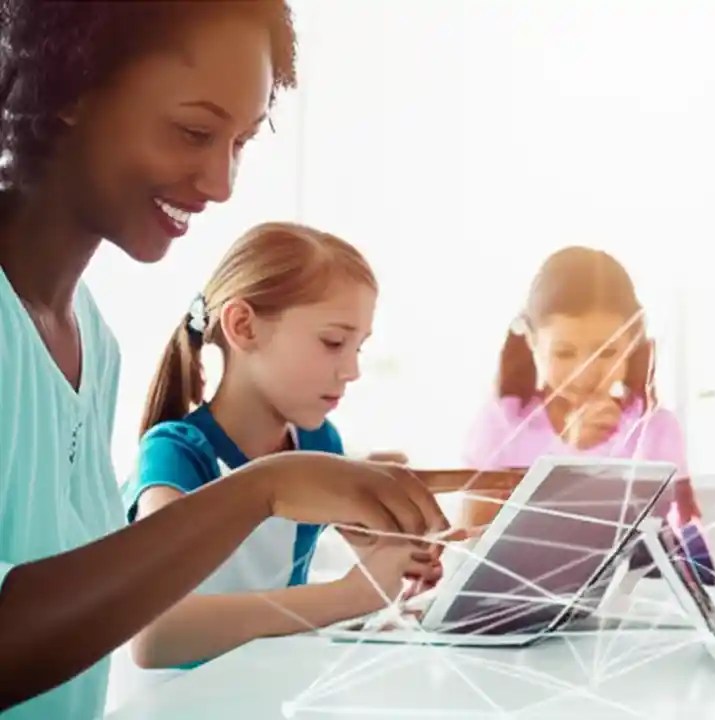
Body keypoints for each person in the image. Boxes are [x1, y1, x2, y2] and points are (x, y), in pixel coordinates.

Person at [0, 4, 490, 715]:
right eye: (194, 132)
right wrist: (265, 489)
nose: (222, 184)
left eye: (241, 142)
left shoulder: (93, 343)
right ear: (72, 87)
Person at [122, 223, 440, 670]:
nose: (352, 371)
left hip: (271, 689)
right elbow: (155, 637)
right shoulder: (177, 455)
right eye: (333, 342)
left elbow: (301, 605)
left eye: (359, 348)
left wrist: (392, 558)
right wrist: (349, 595)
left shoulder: (319, 442)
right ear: (243, 326)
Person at [459, 246, 698, 528]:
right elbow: (471, 537)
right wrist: (568, 457)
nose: (585, 374)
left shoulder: (655, 428)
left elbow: (684, 535)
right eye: (564, 353)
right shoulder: (501, 424)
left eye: (607, 353)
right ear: (533, 342)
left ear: (632, 342)